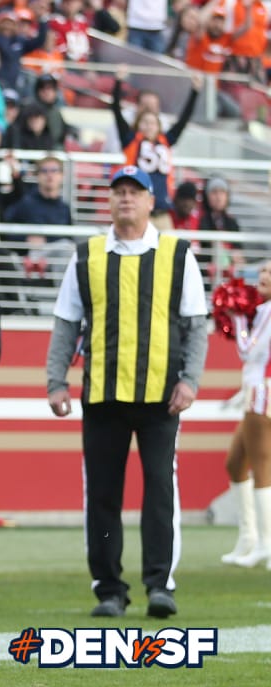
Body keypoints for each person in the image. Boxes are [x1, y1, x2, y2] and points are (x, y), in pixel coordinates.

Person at [45, 165, 209, 619]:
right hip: (102, 393)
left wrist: (190, 380)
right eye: (118, 192)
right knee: (101, 494)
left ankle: (161, 584)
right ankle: (109, 589)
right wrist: (56, 380)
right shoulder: (87, 255)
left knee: (159, 489)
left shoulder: (178, 254)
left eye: (134, 192)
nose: (125, 199)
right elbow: (65, 324)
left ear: (151, 201)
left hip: (161, 397)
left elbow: (196, 326)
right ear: (110, 201)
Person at [221, 260, 271, 568]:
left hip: (261, 394)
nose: (263, 277)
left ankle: (266, 543)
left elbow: (247, 350)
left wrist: (236, 318)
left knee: (262, 468)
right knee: (235, 463)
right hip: (255, 391)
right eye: (263, 272)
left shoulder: (268, 312)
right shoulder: (264, 311)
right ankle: (249, 536)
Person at [111, 65, 201, 211]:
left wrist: (195, 91)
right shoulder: (130, 140)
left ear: (158, 126)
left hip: (161, 207)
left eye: (152, 123)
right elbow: (116, 110)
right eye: (144, 122)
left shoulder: (166, 141)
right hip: (137, 208)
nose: (148, 126)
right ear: (138, 125)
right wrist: (118, 82)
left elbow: (184, 119)